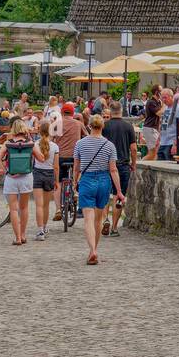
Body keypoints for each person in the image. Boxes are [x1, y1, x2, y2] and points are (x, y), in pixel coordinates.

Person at [72, 115, 125, 266]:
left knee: (88, 218)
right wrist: (119, 191)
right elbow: (113, 170)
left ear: (89, 126)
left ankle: (92, 251)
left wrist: (76, 181)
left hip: (87, 180)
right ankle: (94, 249)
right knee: (98, 218)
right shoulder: (109, 145)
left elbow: (76, 167)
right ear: (102, 127)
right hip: (104, 181)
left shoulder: (80, 144)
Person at [101, 100, 137, 237]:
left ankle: (105, 219)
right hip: (122, 165)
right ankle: (115, 228)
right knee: (118, 195)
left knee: (105, 194)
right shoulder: (128, 127)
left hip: (106, 165)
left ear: (110, 110)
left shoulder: (105, 126)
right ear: (121, 110)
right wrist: (133, 164)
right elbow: (133, 148)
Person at [0, 119, 35, 245]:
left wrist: (4, 170)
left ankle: (17, 237)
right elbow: (41, 157)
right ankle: (23, 235)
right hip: (26, 177)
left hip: (11, 178)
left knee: (13, 209)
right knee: (24, 208)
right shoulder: (30, 143)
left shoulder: (8, 143)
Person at [32, 120, 58, 239]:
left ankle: (40, 230)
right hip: (49, 174)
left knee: (39, 205)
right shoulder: (55, 146)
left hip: (37, 173)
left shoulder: (35, 144)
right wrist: (56, 181)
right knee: (46, 205)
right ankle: (45, 226)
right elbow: (56, 166)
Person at [157, 87, 179, 160]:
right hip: (163, 142)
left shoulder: (178, 109)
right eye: (162, 98)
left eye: (165, 98)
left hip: (172, 142)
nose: (164, 100)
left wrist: (176, 144)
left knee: (169, 165)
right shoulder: (166, 108)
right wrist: (158, 139)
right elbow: (163, 125)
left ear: (171, 97)